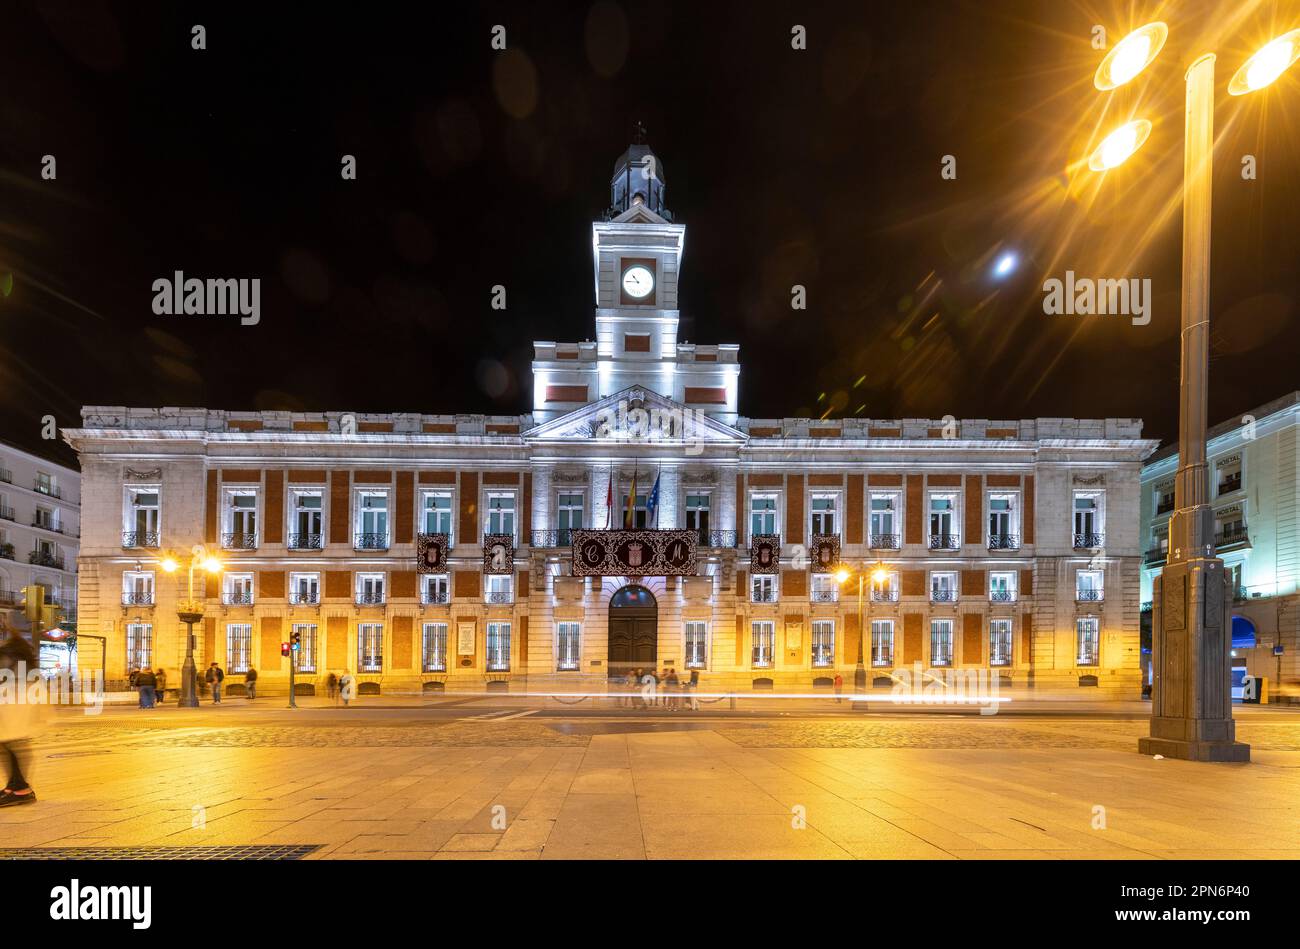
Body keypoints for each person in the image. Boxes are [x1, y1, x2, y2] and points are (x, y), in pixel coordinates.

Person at [0, 627, 42, 807]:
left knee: (9, 742)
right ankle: (15, 786)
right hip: (17, 700)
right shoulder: (16, 648)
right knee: (9, 742)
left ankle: (21, 788)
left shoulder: (10, 651)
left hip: (14, 701)